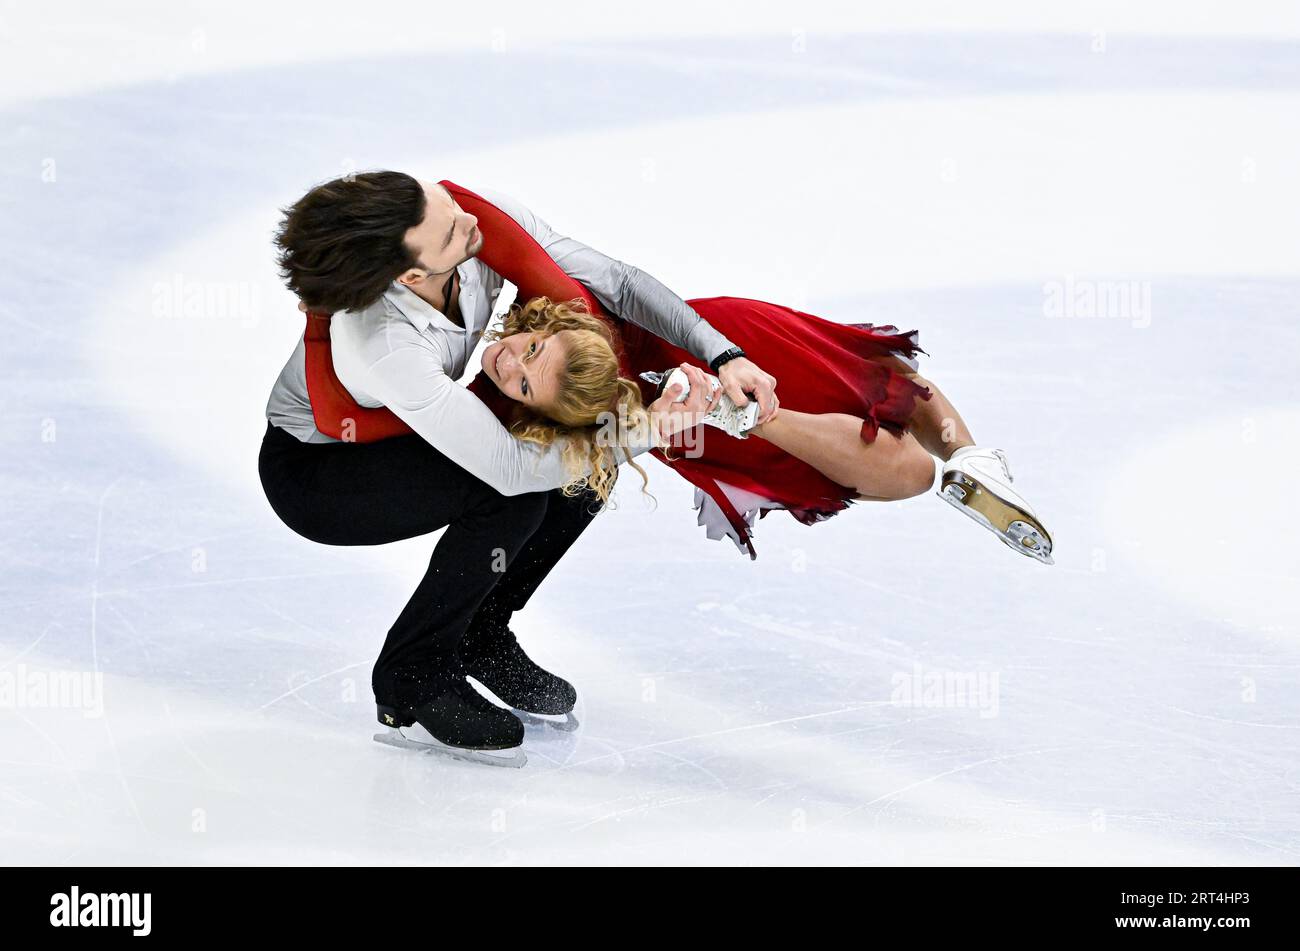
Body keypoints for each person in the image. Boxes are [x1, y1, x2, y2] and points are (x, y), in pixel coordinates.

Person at [258, 172, 777, 755]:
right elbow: (507, 468)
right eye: (452, 228)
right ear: (409, 275)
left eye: (450, 205)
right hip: (323, 475)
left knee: (577, 440)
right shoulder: (381, 341)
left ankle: (480, 628)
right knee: (524, 483)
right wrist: (648, 429)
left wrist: (723, 353)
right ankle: (412, 676)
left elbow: (618, 285)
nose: (470, 218)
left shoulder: (469, 227)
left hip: (419, 423)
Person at [471, 293, 1054, 564]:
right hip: (711, 340)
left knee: (907, 472)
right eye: (523, 378)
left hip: (680, 388)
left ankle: (747, 419)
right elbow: (622, 279)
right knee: (880, 389)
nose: (510, 361)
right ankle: (970, 456)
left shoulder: (503, 383)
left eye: (529, 350)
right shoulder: (542, 286)